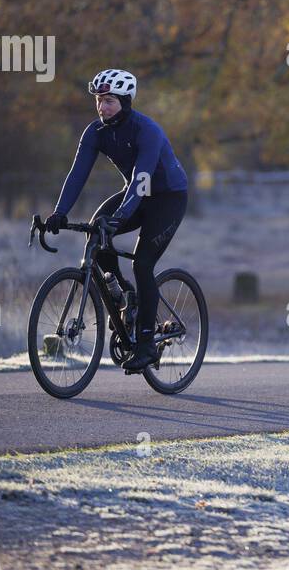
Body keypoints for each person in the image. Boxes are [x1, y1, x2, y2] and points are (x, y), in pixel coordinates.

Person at [45, 69, 189, 373]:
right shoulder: (95, 133)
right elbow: (77, 174)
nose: (102, 107)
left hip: (167, 198)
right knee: (96, 233)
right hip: (135, 194)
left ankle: (148, 343)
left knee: (143, 263)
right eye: (99, 100)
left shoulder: (146, 130)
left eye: (109, 100)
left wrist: (122, 216)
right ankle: (126, 296)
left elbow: (141, 178)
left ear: (125, 101)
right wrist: (60, 212)